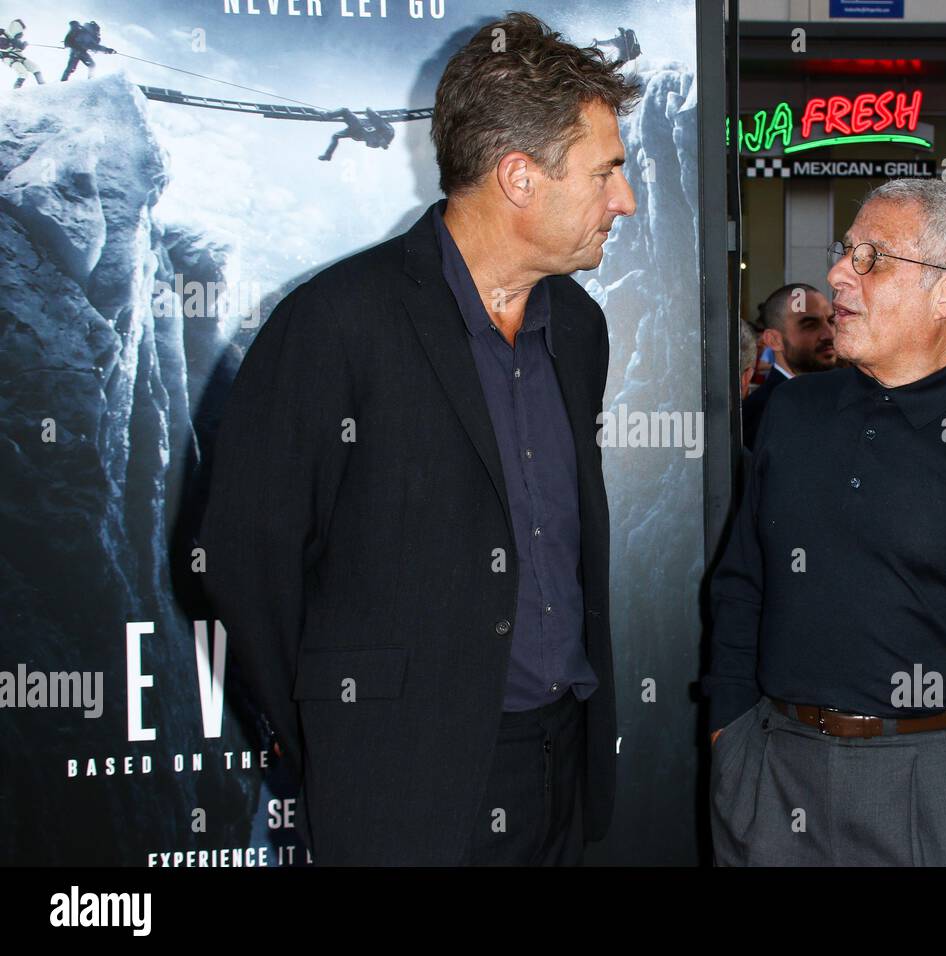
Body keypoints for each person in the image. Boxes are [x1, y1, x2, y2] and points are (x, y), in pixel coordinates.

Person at [199, 13, 639, 866]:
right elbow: (246, 556)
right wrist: (337, 731)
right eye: (606, 172)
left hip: (559, 764)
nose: (622, 199)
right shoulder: (335, 323)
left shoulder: (578, 326)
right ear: (519, 176)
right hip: (402, 789)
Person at [706, 178, 946, 867]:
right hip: (771, 776)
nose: (836, 275)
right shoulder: (791, 415)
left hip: (937, 794)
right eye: (845, 251)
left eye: (871, 258)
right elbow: (742, 582)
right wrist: (730, 735)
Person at [741, 282, 835, 449]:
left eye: (831, 321)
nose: (829, 334)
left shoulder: (850, 395)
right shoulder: (759, 414)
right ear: (774, 340)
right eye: (810, 325)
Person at [0, 19, 43, 88]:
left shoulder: (14, 38)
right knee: (23, 73)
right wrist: (14, 44)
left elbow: (19, 48)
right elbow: (4, 47)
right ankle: (17, 89)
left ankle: (42, 84)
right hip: (9, 58)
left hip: (19, 57)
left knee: (35, 68)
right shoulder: (3, 37)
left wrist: (23, 45)